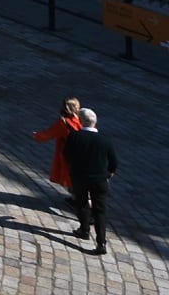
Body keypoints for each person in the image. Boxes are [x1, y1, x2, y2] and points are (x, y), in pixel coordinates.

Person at [61, 107, 119, 255]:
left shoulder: (75, 136)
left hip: (80, 177)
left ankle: (84, 230)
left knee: (82, 203)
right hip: (99, 180)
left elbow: (66, 155)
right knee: (100, 211)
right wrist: (109, 173)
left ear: (80, 121)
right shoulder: (105, 140)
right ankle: (101, 243)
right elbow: (113, 162)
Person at [30, 96, 83, 195]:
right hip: (83, 151)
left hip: (69, 153)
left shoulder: (63, 122)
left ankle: (76, 198)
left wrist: (36, 135)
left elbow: (49, 134)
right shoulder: (82, 118)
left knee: (70, 176)